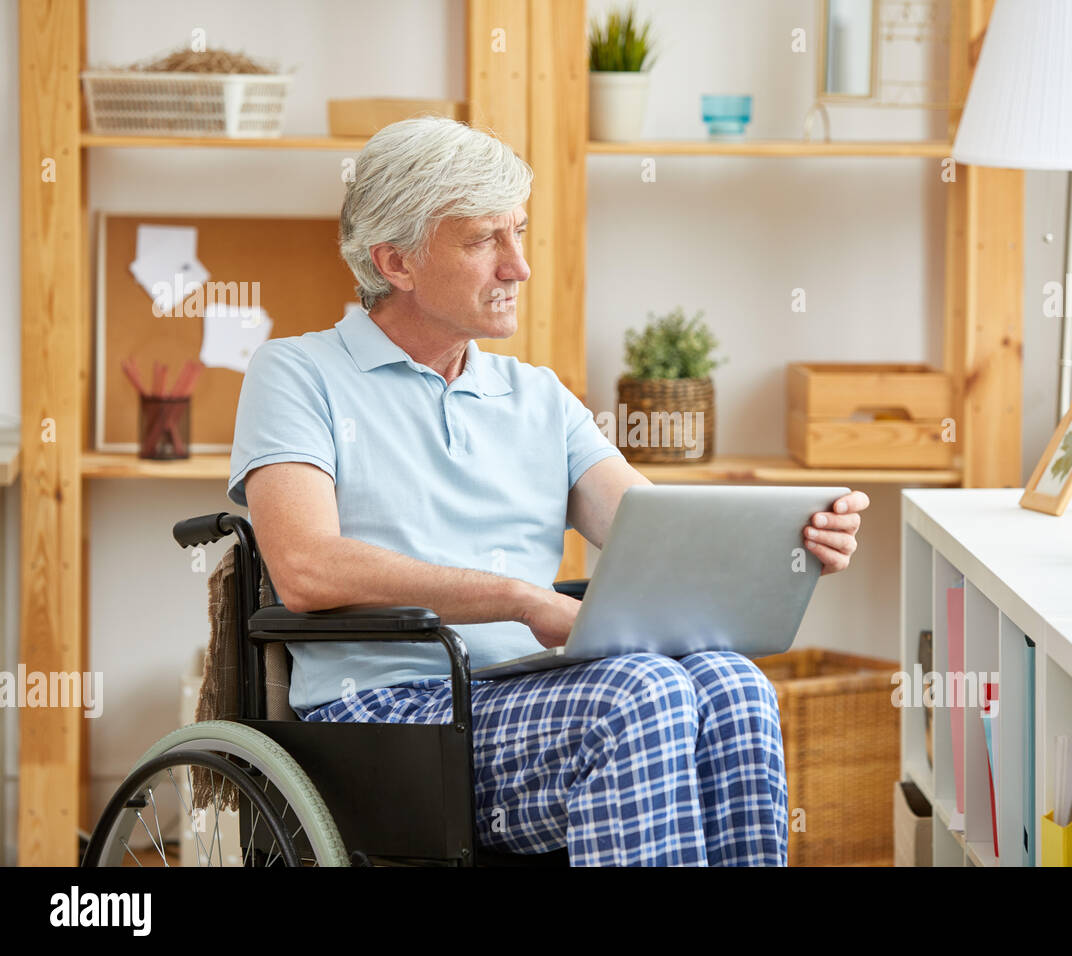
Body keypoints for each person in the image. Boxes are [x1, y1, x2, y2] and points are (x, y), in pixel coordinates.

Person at [227, 116, 869, 866]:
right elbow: (306, 568)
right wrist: (519, 598)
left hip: (529, 696)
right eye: (482, 241)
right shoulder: (297, 374)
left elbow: (654, 532)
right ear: (395, 261)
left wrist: (791, 543)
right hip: (391, 718)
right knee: (644, 693)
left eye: (519, 233)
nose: (518, 267)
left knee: (732, 683)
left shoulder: (537, 396)